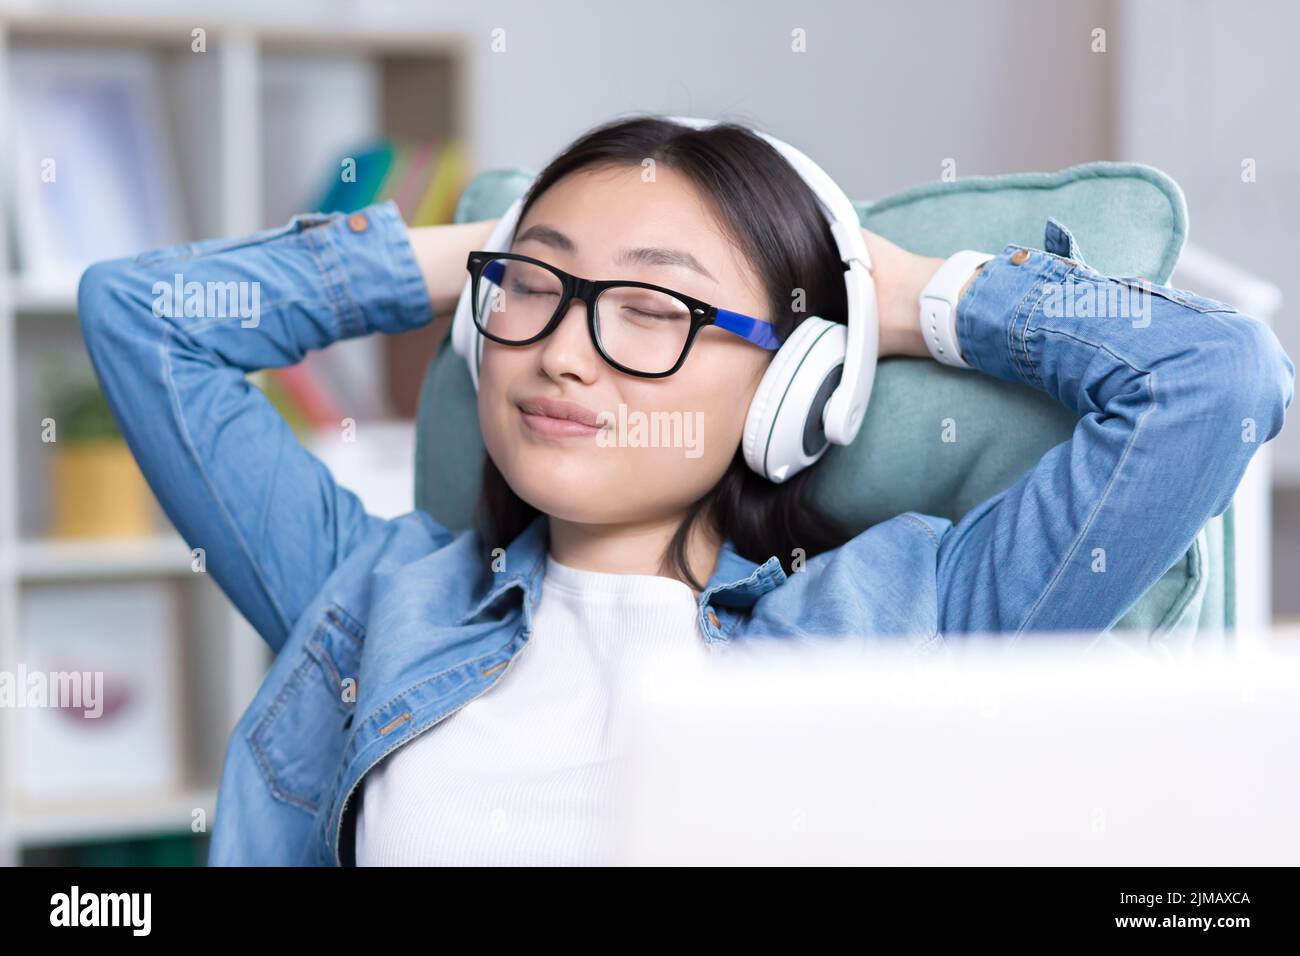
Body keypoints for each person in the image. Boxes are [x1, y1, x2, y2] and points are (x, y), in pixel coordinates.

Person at [77, 115, 1295, 865]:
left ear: (798, 383)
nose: (561, 349)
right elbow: (142, 316)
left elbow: (1216, 379)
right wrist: (477, 253)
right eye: (535, 295)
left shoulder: (915, 614)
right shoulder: (366, 595)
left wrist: (916, 294)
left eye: (651, 308)